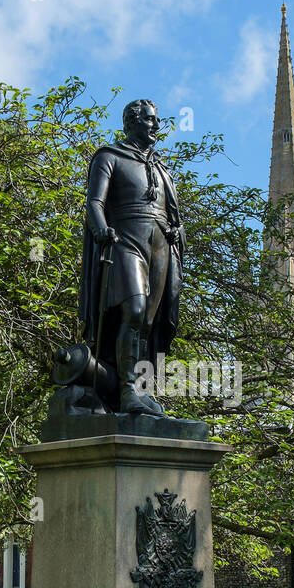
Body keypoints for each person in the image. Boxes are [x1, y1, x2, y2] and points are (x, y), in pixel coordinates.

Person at [79, 99, 184, 414]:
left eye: (157, 120)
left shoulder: (160, 167)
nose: (156, 125)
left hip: (161, 244)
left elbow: (173, 214)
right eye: (150, 120)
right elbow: (95, 202)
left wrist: (178, 232)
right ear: (132, 122)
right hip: (126, 239)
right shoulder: (110, 156)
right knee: (134, 309)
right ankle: (126, 392)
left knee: (149, 323)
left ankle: (140, 390)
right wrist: (101, 231)